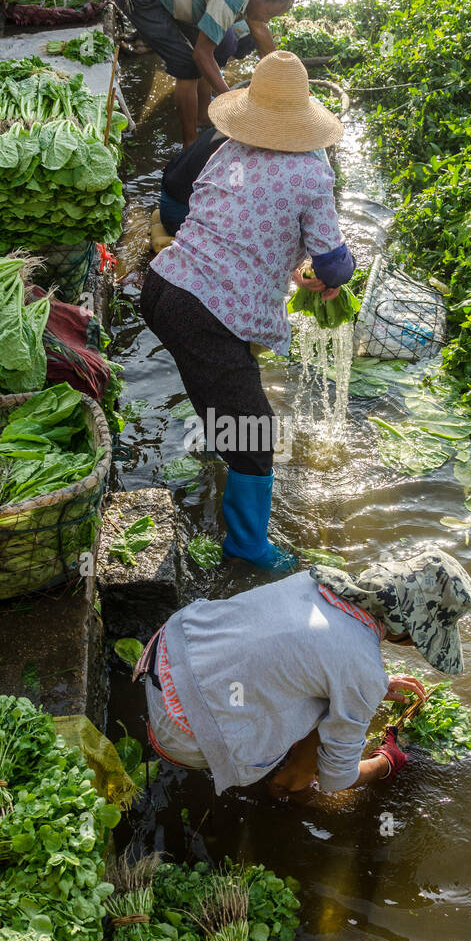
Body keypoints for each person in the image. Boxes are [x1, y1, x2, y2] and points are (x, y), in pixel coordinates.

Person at [139, 50, 354, 569]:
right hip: (207, 313)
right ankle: (247, 549)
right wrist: (325, 279)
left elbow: (229, 224)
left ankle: (221, 453)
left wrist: (288, 270)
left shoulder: (227, 149)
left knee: (228, 399)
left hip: (164, 286)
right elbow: (336, 263)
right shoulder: (311, 171)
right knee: (257, 432)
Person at [132, 551, 471, 797]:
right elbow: (336, 781)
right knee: (330, 717)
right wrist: (387, 761)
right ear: (413, 633)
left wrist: (376, 686)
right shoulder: (361, 671)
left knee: (316, 688)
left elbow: (298, 654)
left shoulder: (313, 584)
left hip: (166, 656)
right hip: (182, 735)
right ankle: (288, 784)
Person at [113, 0, 296, 145]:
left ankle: (203, 116)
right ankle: (189, 142)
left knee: (213, 51)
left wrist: (283, 83)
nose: (268, 20)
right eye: (270, 13)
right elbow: (201, 54)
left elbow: (261, 33)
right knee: (187, 63)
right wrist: (231, 100)